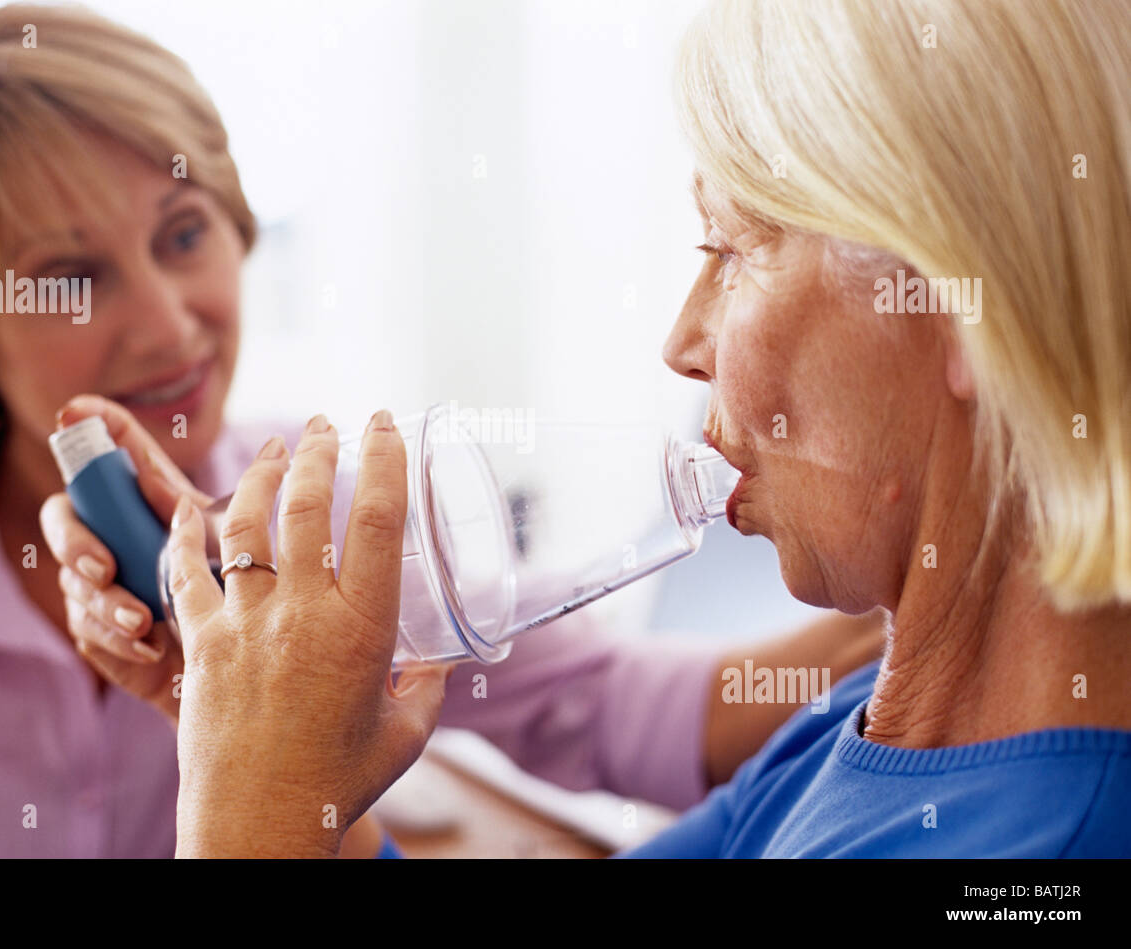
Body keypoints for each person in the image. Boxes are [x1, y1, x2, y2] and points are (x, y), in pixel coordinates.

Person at [0, 2, 879, 858]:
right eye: (73, 277)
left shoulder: (314, 512)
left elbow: (616, 711)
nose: (168, 320)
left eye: (183, 233)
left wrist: (942, 584)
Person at [141, 0, 1131, 857]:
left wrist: (246, 823)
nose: (681, 341)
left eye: (732, 247)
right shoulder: (875, 716)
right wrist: (274, 767)